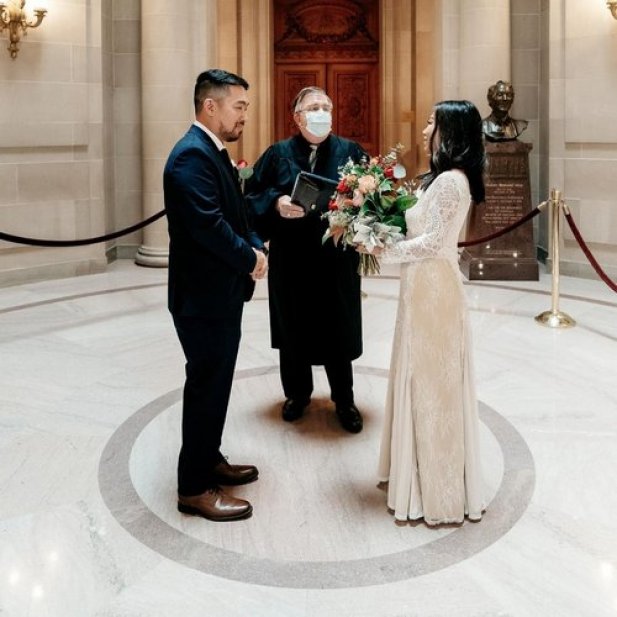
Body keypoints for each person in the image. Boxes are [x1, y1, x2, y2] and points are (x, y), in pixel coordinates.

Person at [366, 100, 486, 525]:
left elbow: (435, 243)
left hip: (435, 288)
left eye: (433, 122)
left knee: (435, 388)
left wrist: (380, 248)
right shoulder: (439, 180)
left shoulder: (453, 182)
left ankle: (439, 489)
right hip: (421, 286)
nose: (424, 128)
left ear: (451, 131)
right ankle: (412, 469)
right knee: (417, 378)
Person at [164, 69, 268, 522]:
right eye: (239, 106)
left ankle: (209, 459)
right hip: (201, 299)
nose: (245, 114)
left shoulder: (213, 151)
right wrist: (250, 258)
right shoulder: (190, 157)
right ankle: (193, 488)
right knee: (207, 385)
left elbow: (236, 211)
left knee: (217, 383)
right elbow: (208, 225)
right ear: (211, 106)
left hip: (219, 294)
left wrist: (256, 244)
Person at [245, 86, 366, 433]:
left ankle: (344, 400)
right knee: (293, 325)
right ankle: (297, 395)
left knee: (337, 327)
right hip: (293, 258)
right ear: (297, 117)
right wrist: (277, 202)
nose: (322, 112)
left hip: (336, 260)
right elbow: (251, 194)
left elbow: (373, 199)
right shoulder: (277, 153)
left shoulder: (350, 151)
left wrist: (355, 209)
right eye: (314, 107)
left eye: (326, 106)